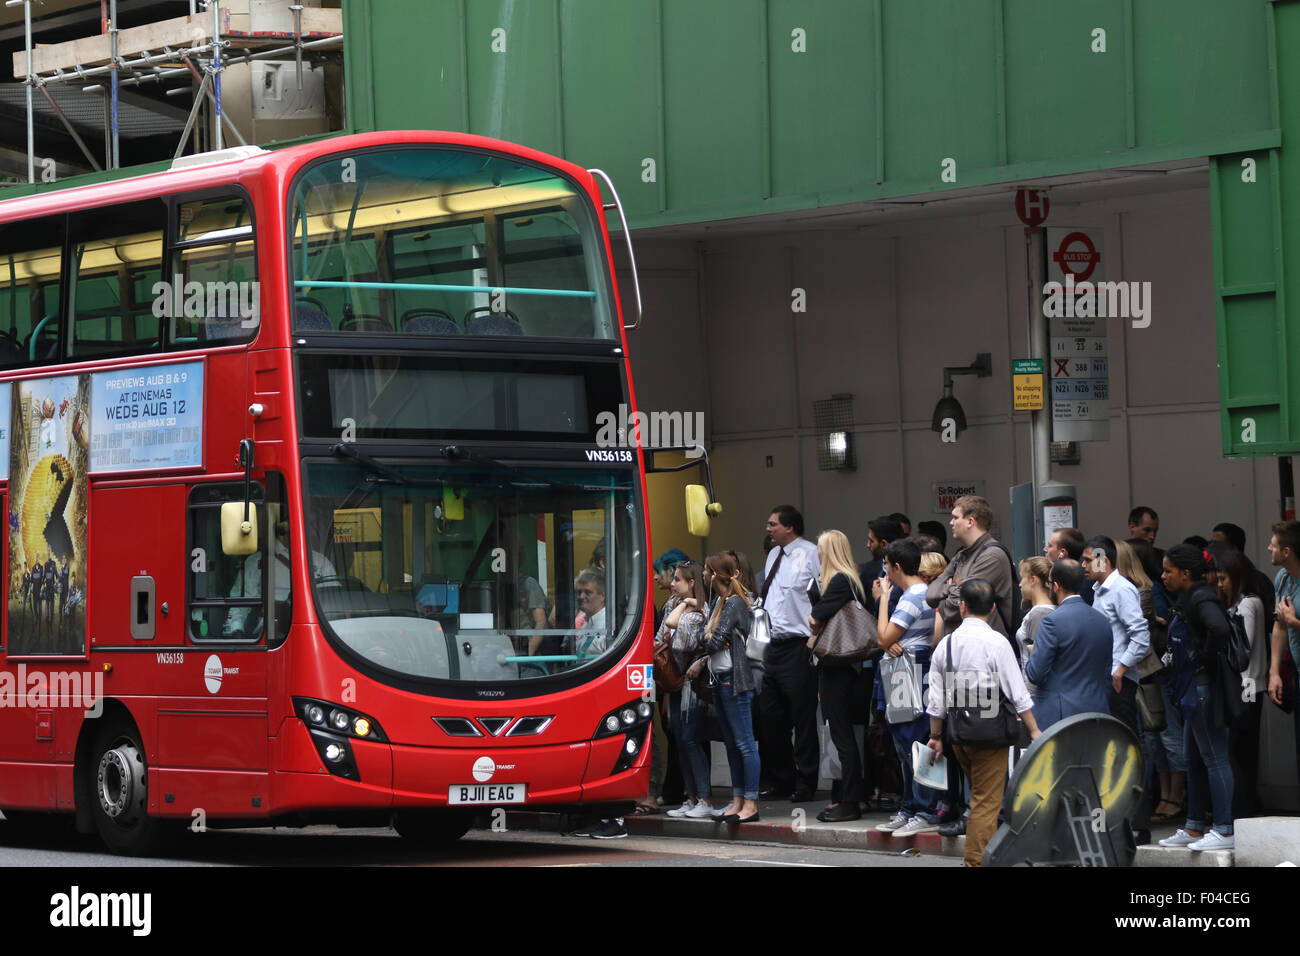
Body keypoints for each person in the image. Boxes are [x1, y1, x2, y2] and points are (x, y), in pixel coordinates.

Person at [925, 579, 1041, 866]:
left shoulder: (945, 645)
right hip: (991, 735)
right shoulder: (997, 643)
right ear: (991, 609)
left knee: (977, 797)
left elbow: (936, 700)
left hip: (959, 735)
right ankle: (975, 862)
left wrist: (936, 736)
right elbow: (1018, 694)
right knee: (985, 804)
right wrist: (1035, 730)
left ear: (962, 607)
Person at [1158, 544, 1237, 851]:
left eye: (1168, 571)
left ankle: (1224, 830)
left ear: (1186, 574)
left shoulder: (1201, 597)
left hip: (1202, 689)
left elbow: (1218, 629)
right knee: (1194, 760)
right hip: (1191, 691)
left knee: (1215, 759)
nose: (1163, 576)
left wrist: (1202, 657)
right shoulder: (1189, 598)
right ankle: (1193, 828)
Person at [873, 538, 941, 836]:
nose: (884, 572)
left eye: (886, 565)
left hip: (910, 671)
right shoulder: (920, 593)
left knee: (914, 742)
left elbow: (884, 638)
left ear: (896, 567)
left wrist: (884, 600)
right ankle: (912, 806)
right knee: (908, 744)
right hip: (913, 669)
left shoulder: (912, 596)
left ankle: (924, 809)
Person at [685, 552, 759, 823]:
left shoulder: (735, 603)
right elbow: (709, 637)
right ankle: (738, 800)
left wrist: (709, 637)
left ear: (715, 575)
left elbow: (714, 641)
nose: (703, 575)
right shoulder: (719, 602)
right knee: (731, 744)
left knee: (744, 743)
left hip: (733, 680)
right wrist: (710, 636)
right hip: (720, 679)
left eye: (706, 571)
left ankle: (750, 803)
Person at [757, 505, 820, 801]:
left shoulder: (811, 553)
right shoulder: (772, 556)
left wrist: (816, 635)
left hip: (798, 644)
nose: (768, 529)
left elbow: (821, 595)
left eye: (773, 524)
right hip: (772, 646)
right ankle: (782, 780)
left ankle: (806, 783)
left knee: (803, 718)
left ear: (790, 527)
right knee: (770, 718)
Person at [807, 530, 868, 822]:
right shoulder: (846, 579)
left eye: (820, 548)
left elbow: (816, 617)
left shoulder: (840, 580)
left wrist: (815, 619)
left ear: (829, 551)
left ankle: (851, 801)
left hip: (839, 668)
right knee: (840, 734)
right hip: (840, 666)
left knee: (842, 736)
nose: (817, 553)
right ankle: (842, 796)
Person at [1212, 547, 1266, 819]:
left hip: (1247, 688)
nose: (1220, 585)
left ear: (1237, 576)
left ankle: (1243, 814)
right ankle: (1241, 812)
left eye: (1224, 579)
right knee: (1237, 754)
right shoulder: (1240, 604)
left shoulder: (1248, 604)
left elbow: (1242, 651)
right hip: (1243, 687)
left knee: (1241, 755)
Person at [1025, 560, 1112, 729]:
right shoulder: (1102, 620)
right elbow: (1106, 670)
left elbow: (1035, 674)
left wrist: (1033, 652)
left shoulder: (1052, 622)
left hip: (1060, 716)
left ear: (1056, 586)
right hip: (1097, 710)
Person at [660, 561, 714, 819]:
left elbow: (672, 630)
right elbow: (661, 637)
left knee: (692, 739)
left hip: (691, 682)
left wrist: (683, 604)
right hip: (673, 680)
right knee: (680, 740)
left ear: (692, 583)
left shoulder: (699, 611)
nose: (672, 584)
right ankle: (690, 797)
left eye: (678, 580)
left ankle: (704, 798)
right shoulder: (672, 604)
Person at [925, 495, 1015, 647]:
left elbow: (953, 609)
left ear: (970, 522)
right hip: (959, 650)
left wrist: (949, 593)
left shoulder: (992, 556)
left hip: (982, 653)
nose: (951, 522)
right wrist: (954, 588)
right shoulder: (961, 555)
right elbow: (931, 594)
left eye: (955, 517)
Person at [1268, 521, 1300, 785]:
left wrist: (1295, 623)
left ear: (1287, 551)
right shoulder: (1284, 579)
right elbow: (1278, 625)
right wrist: (1274, 671)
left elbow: (1287, 622)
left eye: (1274, 545)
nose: (1269, 548)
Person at [1014, 556, 1056, 686]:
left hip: (1035, 695)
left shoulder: (1040, 614)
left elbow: (1038, 662)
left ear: (1033, 580)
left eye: (1023, 578)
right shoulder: (1039, 611)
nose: (1020, 584)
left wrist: (1031, 701)